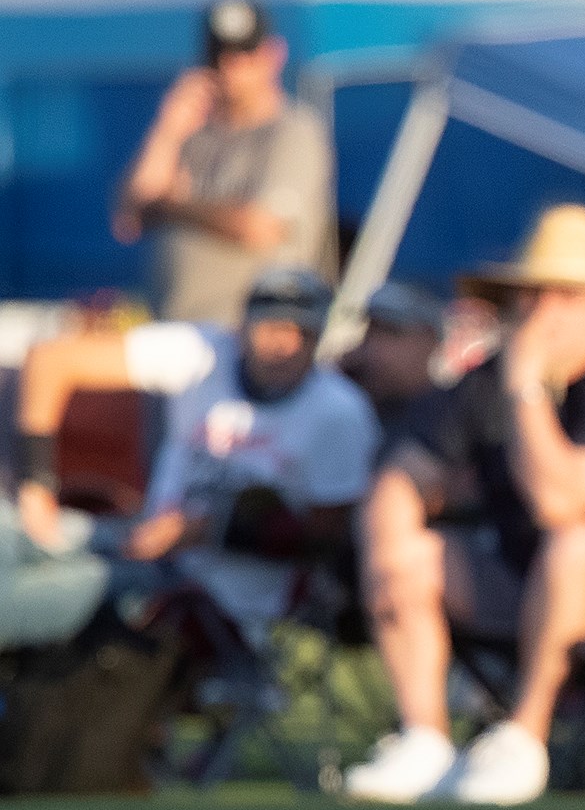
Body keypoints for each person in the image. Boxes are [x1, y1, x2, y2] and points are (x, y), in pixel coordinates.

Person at [344, 205, 585, 805]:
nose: (541, 314)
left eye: (565, 296)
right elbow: (404, 474)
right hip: (512, 576)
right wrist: (391, 543)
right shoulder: (485, 382)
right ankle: (424, 736)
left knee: (579, 544)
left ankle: (524, 738)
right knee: (407, 550)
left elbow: (562, 503)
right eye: (530, 295)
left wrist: (527, 390)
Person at [10, 269, 375, 646]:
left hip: (209, 598)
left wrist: (205, 529)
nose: (285, 346)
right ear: (241, 327)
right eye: (272, 329)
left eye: (303, 334)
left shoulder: (339, 412)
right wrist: (37, 482)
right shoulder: (205, 352)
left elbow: (325, 540)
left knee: (16, 597)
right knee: (8, 532)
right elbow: (50, 359)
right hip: (138, 545)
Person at [114, 0, 333, 327]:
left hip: (249, 333)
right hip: (171, 323)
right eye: (221, 56)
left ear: (274, 54)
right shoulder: (192, 133)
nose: (232, 68)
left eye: (246, 54)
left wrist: (174, 206)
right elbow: (129, 219)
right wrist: (167, 130)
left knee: (53, 361)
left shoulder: (294, 131)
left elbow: (260, 227)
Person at [340, 283, 449, 446]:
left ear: (430, 340)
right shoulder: (346, 395)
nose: (374, 346)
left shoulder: (448, 422)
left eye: (391, 332)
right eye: (371, 329)